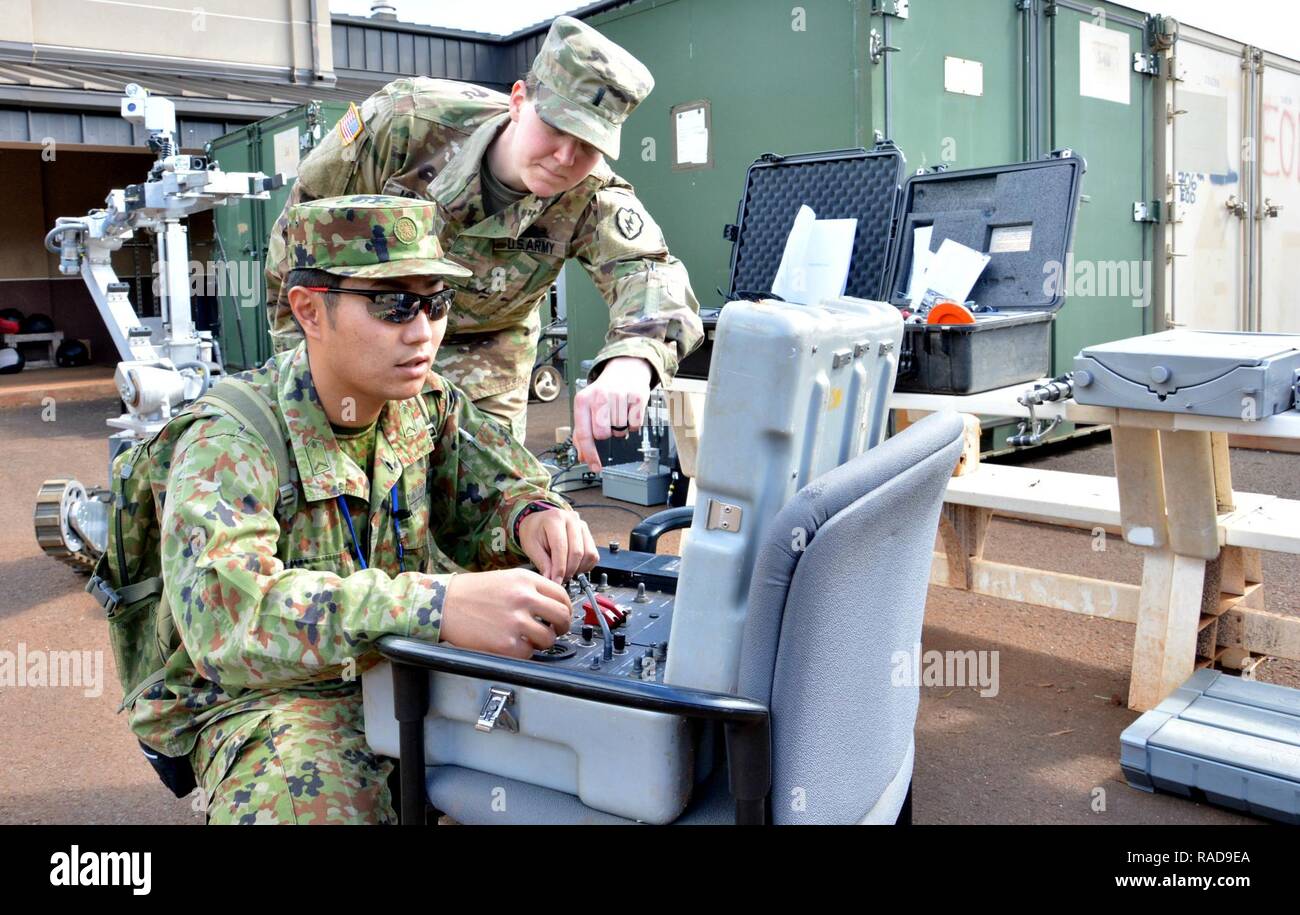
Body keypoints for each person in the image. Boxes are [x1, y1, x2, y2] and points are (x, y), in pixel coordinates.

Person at [147, 195, 598, 824]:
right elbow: (230, 621)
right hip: (277, 693)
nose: (423, 332)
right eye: (393, 305)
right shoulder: (231, 439)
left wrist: (533, 516)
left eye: (436, 301)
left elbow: (500, 482)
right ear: (309, 310)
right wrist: (437, 606)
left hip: (409, 668)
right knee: (314, 805)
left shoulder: (424, 400)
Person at [264, 15, 702, 468]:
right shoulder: (405, 125)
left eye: (589, 144)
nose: (565, 158)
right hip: (370, 338)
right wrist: (301, 365)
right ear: (518, 100)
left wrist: (632, 359)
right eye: (555, 127)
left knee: (488, 501)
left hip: (486, 356)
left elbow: (649, 270)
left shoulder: (591, 193)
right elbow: (299, 236)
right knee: (340, 487)